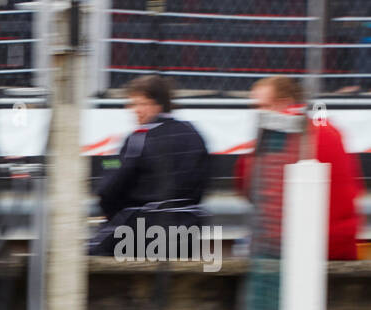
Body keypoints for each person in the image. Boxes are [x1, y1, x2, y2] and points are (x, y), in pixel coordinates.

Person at [234, 75, 362, 262]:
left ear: (284, 103)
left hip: (295, 252)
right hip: (341, 247)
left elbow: (249, 188)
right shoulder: (332, 131)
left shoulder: (274, 140)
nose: (257, 113)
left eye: (261, 106)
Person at [90, 74, 210, 256]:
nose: (135, 110)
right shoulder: (194, 134)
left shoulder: (139, 138)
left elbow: (110, 188)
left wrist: (110, 214)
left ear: (157, 104)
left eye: (140, 103)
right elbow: (204, 181)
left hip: (143, 230)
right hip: (187, 229)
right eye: (133, 104)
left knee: (87, 258)